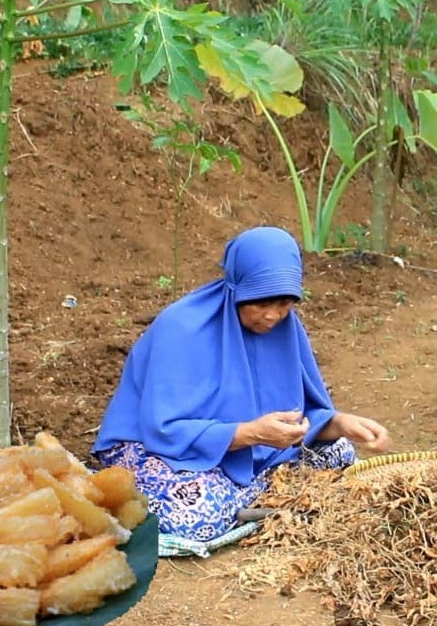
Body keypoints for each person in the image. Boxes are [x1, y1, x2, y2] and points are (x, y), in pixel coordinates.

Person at [91, 226, 391, 544]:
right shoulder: (181, 328)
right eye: (261, 302)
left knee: (340, 451)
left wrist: (339, 423)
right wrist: (251, 434)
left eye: (285, 303)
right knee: (194, 514)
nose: (273, 316)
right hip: (153, 445)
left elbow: (304, 417)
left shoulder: (285, 329)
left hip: (248, 450)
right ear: (237, 287)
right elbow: (164, 429)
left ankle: (250, 490)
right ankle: (266, 489)